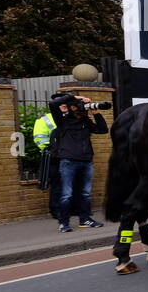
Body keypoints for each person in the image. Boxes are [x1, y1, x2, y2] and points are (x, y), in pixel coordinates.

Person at [46, 92, 108, 233]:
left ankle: (85, 219)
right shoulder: (62, 121)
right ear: (72, 107)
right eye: (79, 106)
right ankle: (63, 223)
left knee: (85, 193)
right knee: (66, 194)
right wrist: (75, 98)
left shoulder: (85, 122)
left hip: (86, 161)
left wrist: (96, 113)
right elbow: (53, 104)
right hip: (68, 161)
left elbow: (103, 130)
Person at [32, 95, 62, 219]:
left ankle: (69, 208)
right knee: (57, 184)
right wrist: (53, 149)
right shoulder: (45, 119)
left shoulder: (71, 118)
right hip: (54, 157)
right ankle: (55, 210)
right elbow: (39, 138)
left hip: (70, 156)